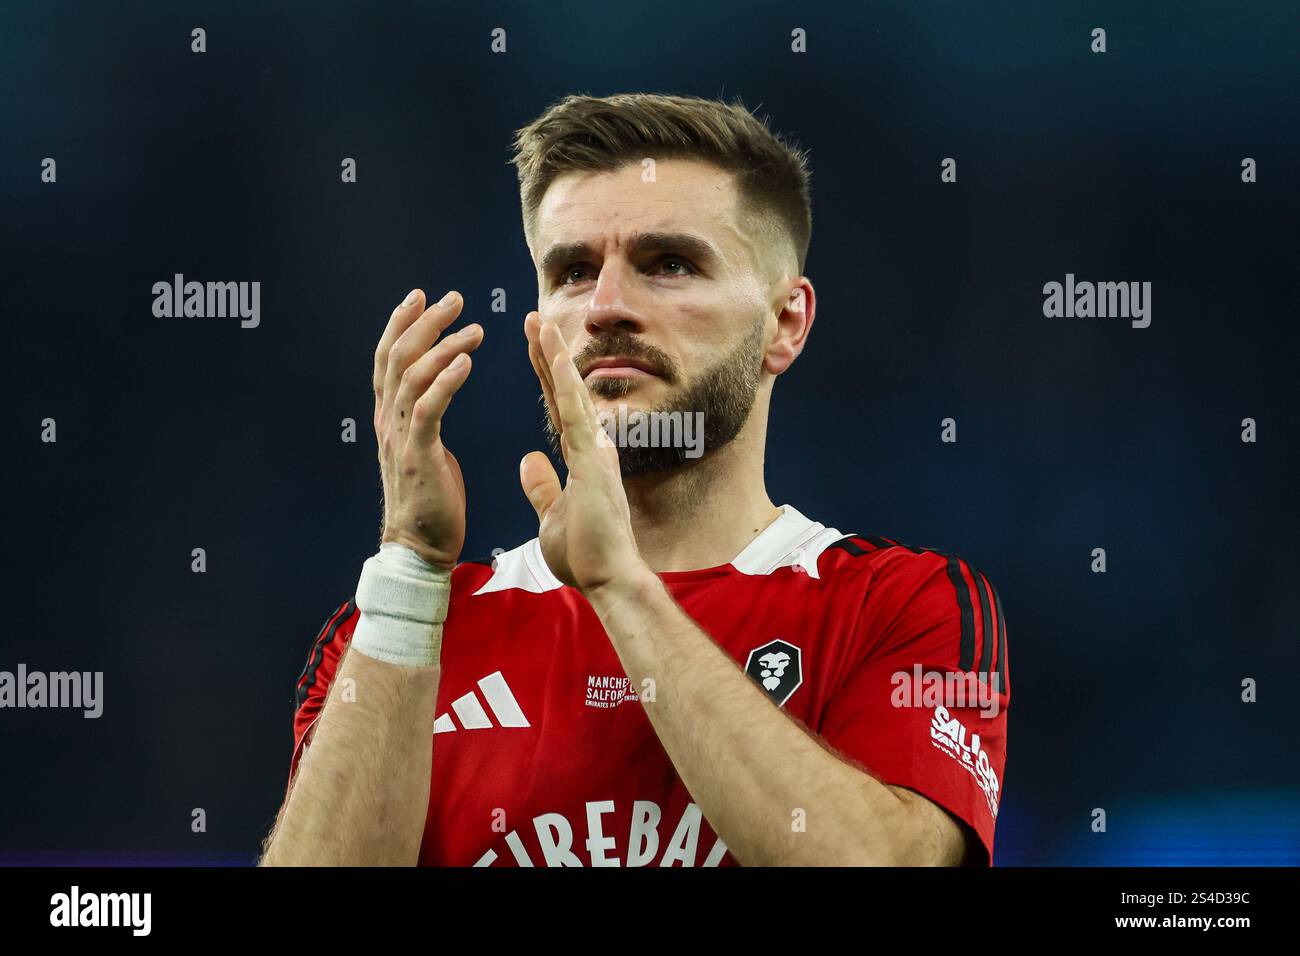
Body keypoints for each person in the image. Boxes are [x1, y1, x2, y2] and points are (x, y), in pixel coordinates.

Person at [259, 92, 1009, 867]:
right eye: (574, 272)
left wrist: (620, 584)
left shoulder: (902, 606)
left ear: (785, 323)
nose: (607, 308)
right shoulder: (404, 626)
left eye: (670, 264)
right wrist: (412, 564)